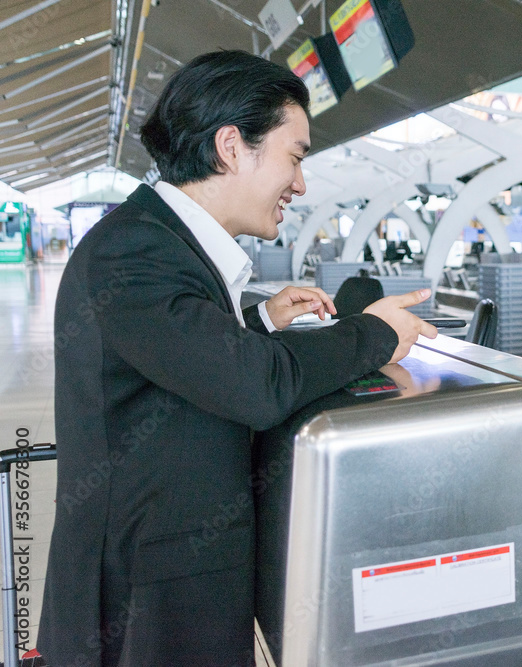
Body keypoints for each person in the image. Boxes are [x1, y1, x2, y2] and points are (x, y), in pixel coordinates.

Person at [38, 50, 437, 666]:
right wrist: (372, 333)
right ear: (231, 146)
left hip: (168, 583)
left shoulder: (161, 244)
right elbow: (254, 385)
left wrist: (258, 320)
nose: (301, 183)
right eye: (296, 156)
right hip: (144, 606)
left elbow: (171, 360)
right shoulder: (136, 252)